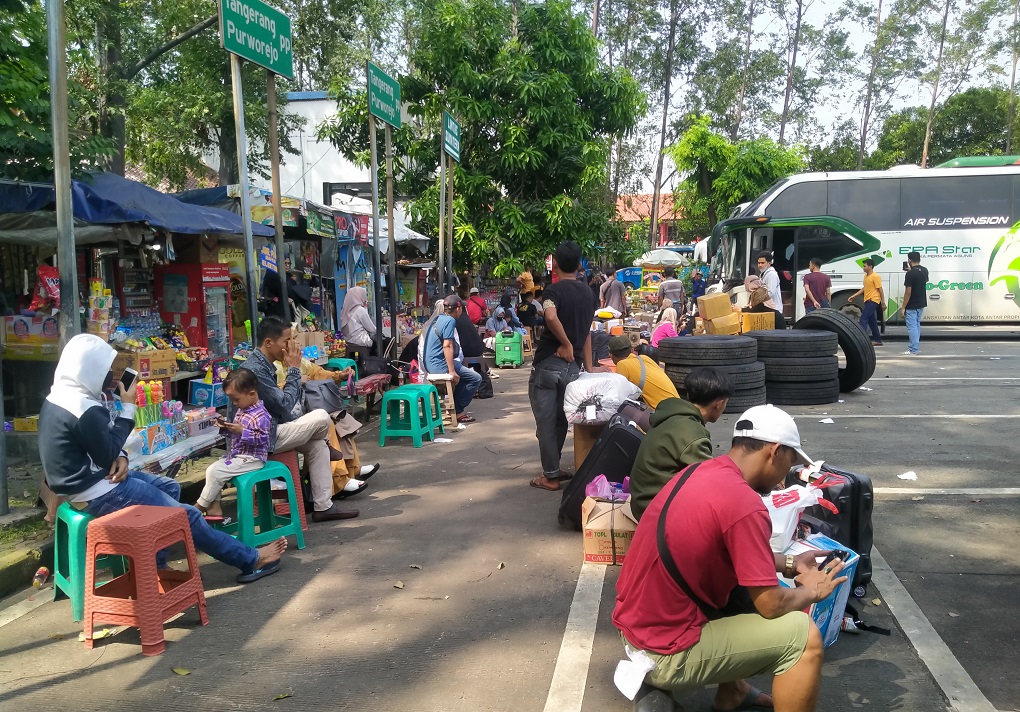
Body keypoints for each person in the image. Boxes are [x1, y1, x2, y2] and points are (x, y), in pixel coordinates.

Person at [614, 405, 848, 712]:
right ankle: (718, 684)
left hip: (636, 629)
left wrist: (792, 564)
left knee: (739, 593)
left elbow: (732, 555)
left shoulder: (700, 471)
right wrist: (811, 591)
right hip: (664, 652)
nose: (784, 478)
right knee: (803, 636)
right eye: (788, 464)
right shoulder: (745, 504)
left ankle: (733, 692)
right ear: (774, 452)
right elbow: (771, 603)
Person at [40, 334, 286, 584]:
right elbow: (106, 449)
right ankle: (251, 559)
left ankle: (155, 566)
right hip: (98, 490)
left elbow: (102, 446)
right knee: (187, 516)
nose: (110, 377)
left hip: (92, 478)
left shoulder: (58, 397)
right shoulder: (84, 409)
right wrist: (128, 406)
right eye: (106, 370)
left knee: (169, 486)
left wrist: (121, 456)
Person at [242, 317, 359, 522]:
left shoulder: (267, 365)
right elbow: (284, 405)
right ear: (268, 343)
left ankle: (323, 506)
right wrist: (294, 370)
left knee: (317, 446)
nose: (292, 346)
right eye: (287, 340)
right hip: (260, 439)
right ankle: (324, 440)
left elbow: (284, 410)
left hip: (273, 429)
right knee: (322, 417)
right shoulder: (256, 370)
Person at [529, 241, 598, 491]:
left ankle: (550, 476)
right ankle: (553, 469)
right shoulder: (588, 293)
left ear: (554, 264)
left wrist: (565, 343)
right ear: (580, 265)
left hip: (549, 364)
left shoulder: (552, 292)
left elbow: (549, 315)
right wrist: (588, 366)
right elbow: (588, 331)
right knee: (560, 421)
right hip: (573, 369)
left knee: (546, 423)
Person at [628, 367, 734, 522]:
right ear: (719, 404)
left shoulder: (672, 416)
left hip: (642, 500)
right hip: (654, 510)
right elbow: (713, 481)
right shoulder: (691, 433)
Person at [271, 358, 378, 499]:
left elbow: (319, 373)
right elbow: (274, 395)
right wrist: (295, 380)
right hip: (287, 419)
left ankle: (353, 469)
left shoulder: (300, 362)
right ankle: (340, 480)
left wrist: (340, 375)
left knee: (341, 417)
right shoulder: (271, 366)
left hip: (306, 408)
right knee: (328, 423)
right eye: (289, 341)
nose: (296, 346)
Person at [196, 368, 272, 519]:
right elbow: (237, 434)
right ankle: (215, 507)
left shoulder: (261, 415)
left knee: (216, 472)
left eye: (236, 399)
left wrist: (242, 431)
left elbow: (264, 439)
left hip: (253, 459)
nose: (234, 403)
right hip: (238, 455)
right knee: (212, 469)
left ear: (251, 395)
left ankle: (200, 506)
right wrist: (226, 428)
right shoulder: (243, 409)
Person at [422, 294, 483, 423]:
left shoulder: (438, 318)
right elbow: (447, 346)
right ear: (458, 308)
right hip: (439, 364)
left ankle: (455, 405)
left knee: (463, 375)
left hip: (430, 363)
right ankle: (458, 411)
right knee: (475, 378)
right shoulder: (450, 321)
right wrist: (451, 371)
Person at [607, 335, 679, 409]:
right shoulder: (645, 358)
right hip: (678, 404)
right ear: (632, 350)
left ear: (611, 355)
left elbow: (618, 396)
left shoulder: (622, 364)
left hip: (663, 412)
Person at [849, 259, 884, 346]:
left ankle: (862, 340)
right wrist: (854, 295)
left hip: (873, 300)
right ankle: (878, 340)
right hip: (867, 300)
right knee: (872, 321)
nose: (863, 268)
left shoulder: (875, 276)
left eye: (865, 266)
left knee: (863, 319)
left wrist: (882, 302)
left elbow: (880, 290)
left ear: (870, 266)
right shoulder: (866, 276)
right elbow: (864, 288)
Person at [900, 251, 928, 355]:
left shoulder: (910, 274)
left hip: (911, 304)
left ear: (909, 260)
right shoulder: (924, 270)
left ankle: (913, 349)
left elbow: (908, 292)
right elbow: (922, 281)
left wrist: (903, 307)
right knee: (916, 325)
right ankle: (915, 347)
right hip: (921, 302)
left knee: (912, 327)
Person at [340, 286, 377, 360]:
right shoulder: (360, 310)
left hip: (349, 340)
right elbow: (372, 329)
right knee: (381, 343)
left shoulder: (345, 310)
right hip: (361, 340)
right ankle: (373, 364)